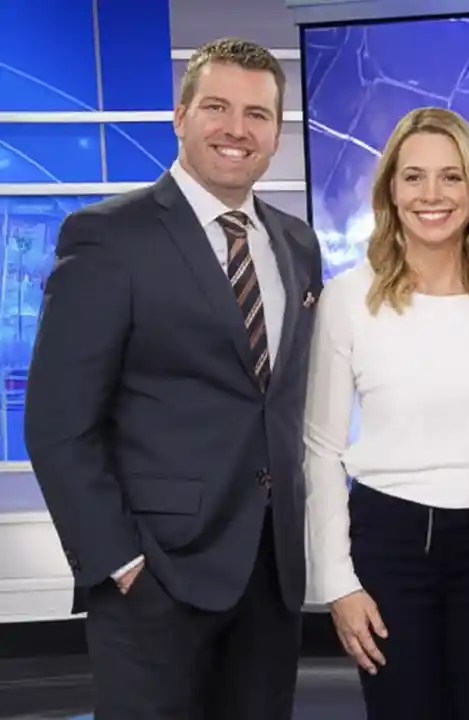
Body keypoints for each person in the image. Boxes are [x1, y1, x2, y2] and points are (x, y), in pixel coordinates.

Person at [24, 38, 320, 718]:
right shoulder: (108, 237)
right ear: (180, 115)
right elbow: (58, 422)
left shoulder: (296, 244)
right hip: (154, 579)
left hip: (270, 578)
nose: (236, 129)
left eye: (257, 114)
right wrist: (119, 562)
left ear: (276, 132)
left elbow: (277, 403)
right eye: (216, 107)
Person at [302, 107, 469, 719]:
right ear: (391, 192)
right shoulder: (350, 298)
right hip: (390, 543)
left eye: (451, 177)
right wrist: (339, 583)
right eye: (414, 177)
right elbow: (320, 448)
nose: (433, 195)